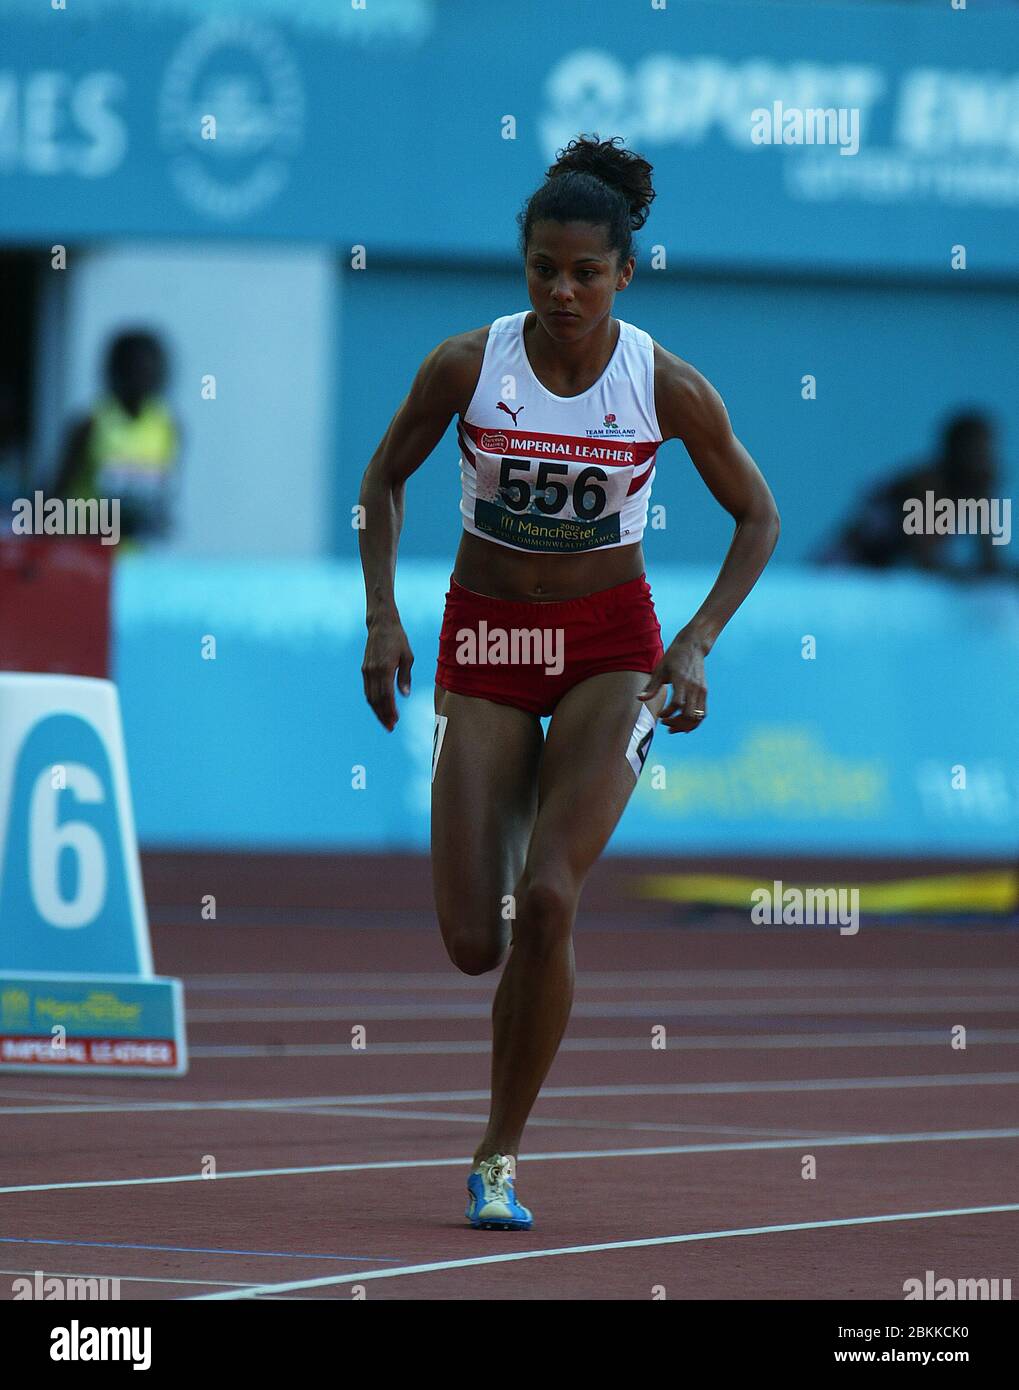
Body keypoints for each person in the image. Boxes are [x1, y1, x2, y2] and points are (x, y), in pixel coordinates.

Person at [357, 135, 780, 1230]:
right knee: (474, 940)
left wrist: (691, 642)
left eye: (584, 271)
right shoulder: (467, 366)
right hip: (488, 644)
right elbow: (382, 479)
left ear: (624, 272)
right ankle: (492, 933)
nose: (560, 290)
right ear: (523, 260)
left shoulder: (662, 383)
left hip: (608, 649)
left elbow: (758, 515)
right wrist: (380, 616)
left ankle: (497, 1152)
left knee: (548, 898)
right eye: (543, 266)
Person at [816, 411, 1008, 576]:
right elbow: (926, 562)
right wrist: (973, 576)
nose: (984, 462)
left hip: (875, 576)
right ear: (952, 455)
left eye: (987, 453)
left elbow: (991, 561)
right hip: (841, 570)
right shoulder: (924, 487)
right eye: (975, 454)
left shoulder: (978, 490)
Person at [52, 330, 179, 546]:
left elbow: (162, 501)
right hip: (87, 554)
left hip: (136, 560)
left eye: (150, 370)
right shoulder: (90, 424)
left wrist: (152, 521)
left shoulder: (168, 428)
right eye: (136, 369)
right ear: (118, 371)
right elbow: (52, 501)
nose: (143, 378)